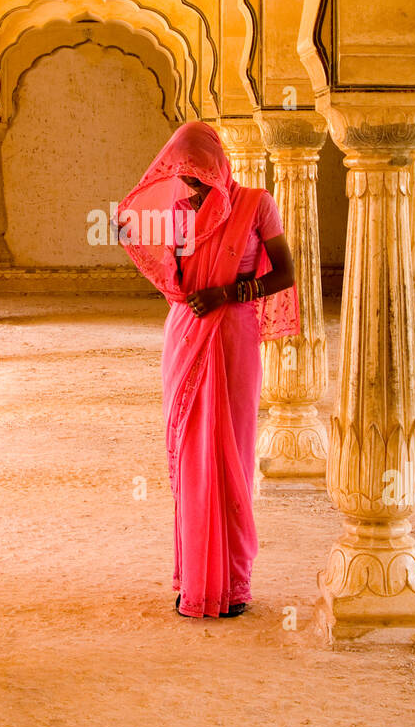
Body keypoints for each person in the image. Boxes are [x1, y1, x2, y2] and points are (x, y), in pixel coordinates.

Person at [116, 121, 298, 619]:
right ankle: (196, 578)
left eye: (197, 177)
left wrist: (228, 293)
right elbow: (171, 277)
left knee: (230, 455)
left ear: (217, 167)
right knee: (191, 457)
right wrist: (137, 244)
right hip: (187, 336)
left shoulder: (256, 204)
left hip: (234, 335)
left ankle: (234, 583)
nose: (191, 187)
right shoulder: (177, 213)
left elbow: (285, 273)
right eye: (184, 177)